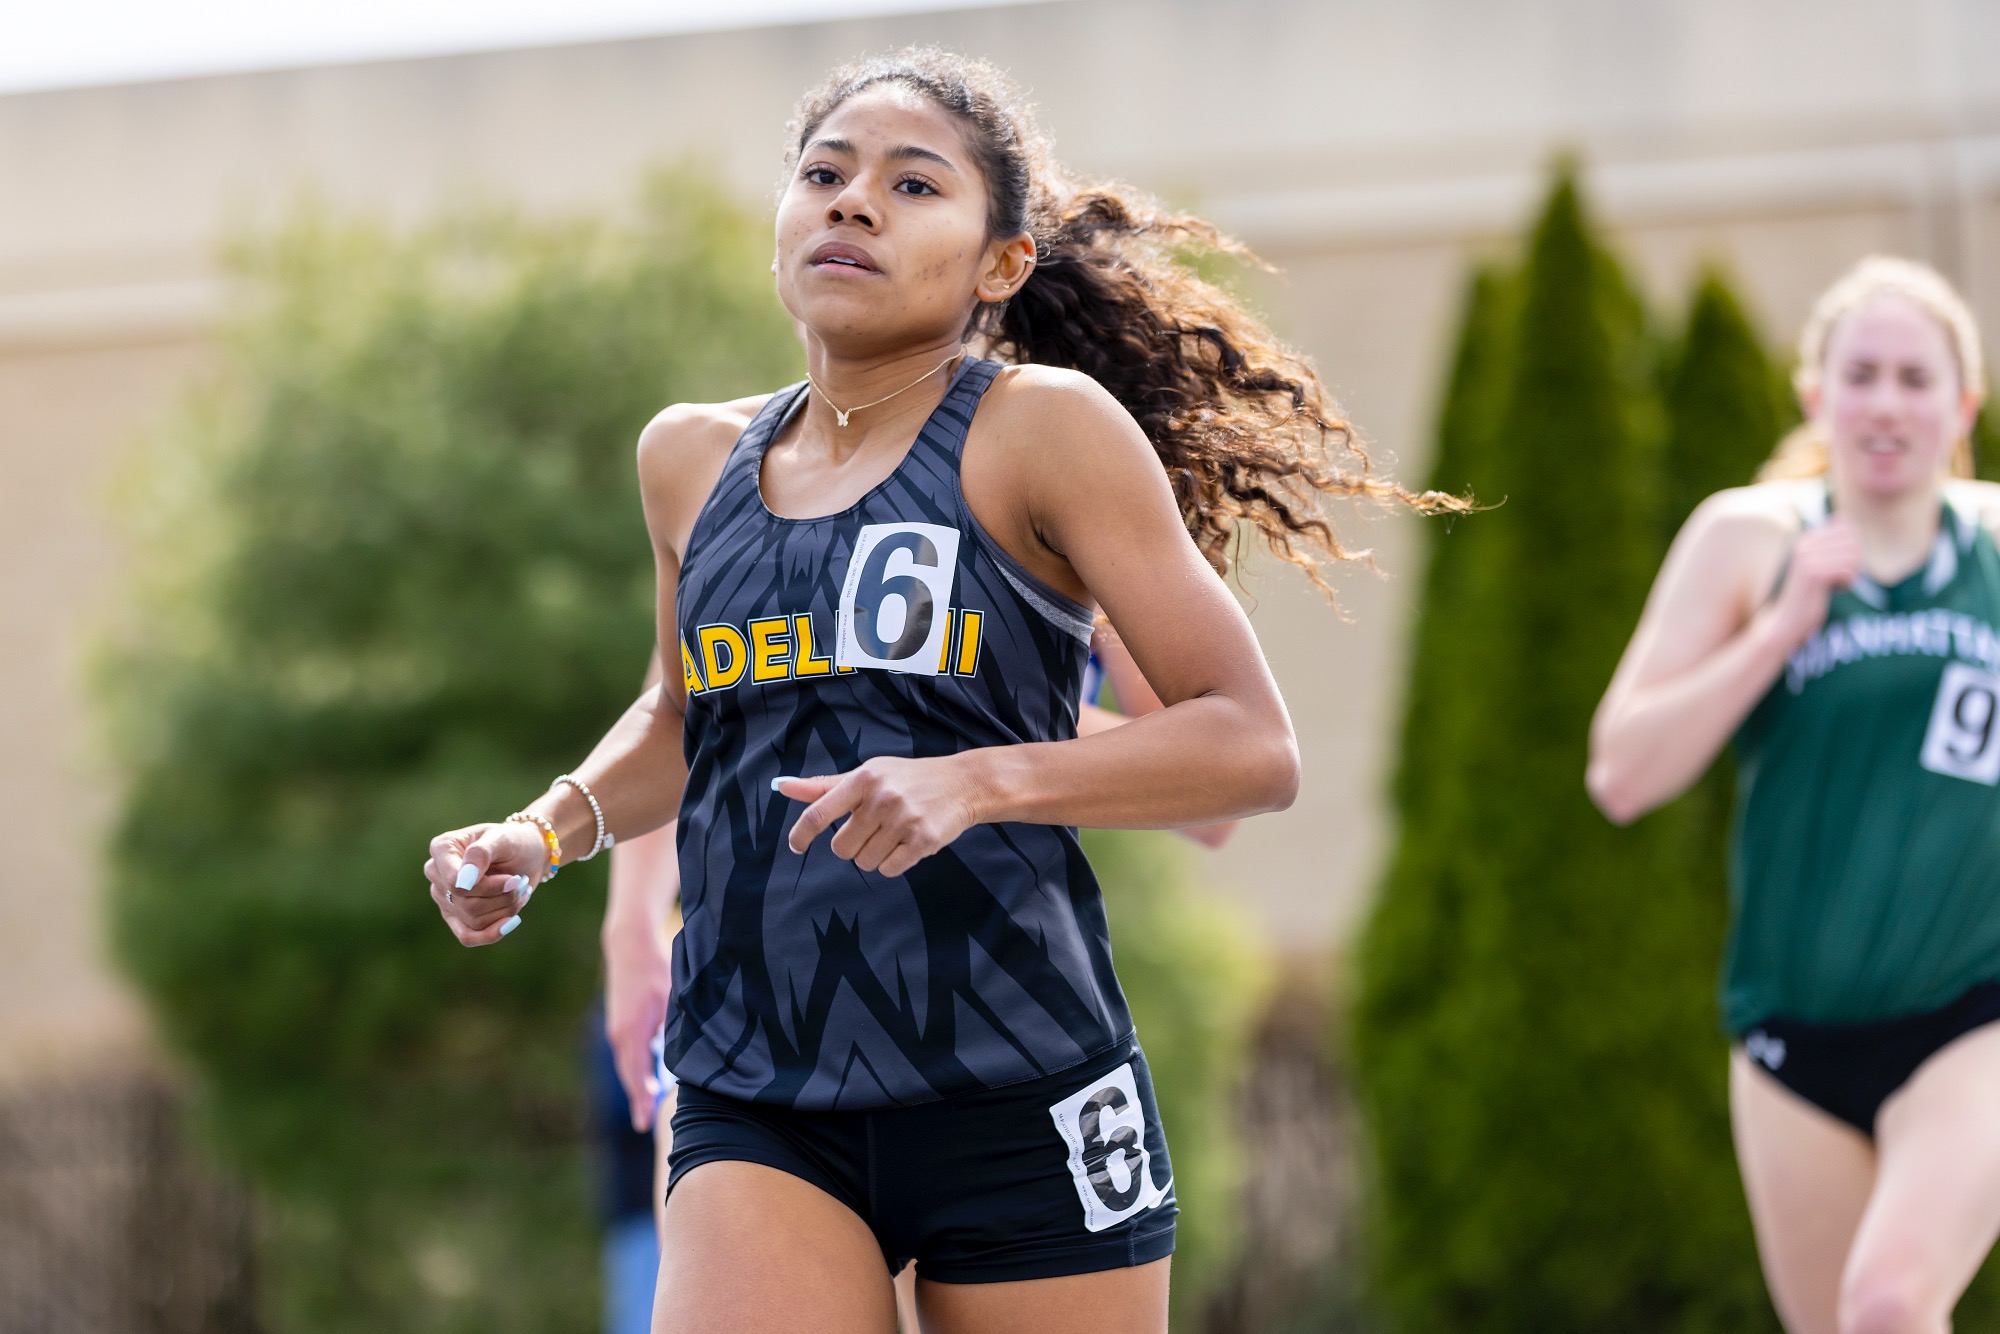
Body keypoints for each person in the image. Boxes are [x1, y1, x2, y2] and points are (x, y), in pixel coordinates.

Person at [424, 47, 1446, 1334]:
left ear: (999, 261)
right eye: (823, 173)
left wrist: (979, 779)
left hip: (1019, 1081)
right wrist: (543, 828)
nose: (852, 203)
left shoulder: (1042, 428)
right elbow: (687, 718)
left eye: (913, 185)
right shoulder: (688, 458)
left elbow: (1249, 745)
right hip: (757, 1085)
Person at [1588, 256, 1999, 1334]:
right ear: (1814, 392)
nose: (1884, 400)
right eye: (1858, 373)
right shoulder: (1744, 537)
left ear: (1960, 405)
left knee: (1886, 1302)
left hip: (1973, 1012)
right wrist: (1775, 633)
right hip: (1790, 1033)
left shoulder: (1995, 545)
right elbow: (1619, 773)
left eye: (1915, 378)